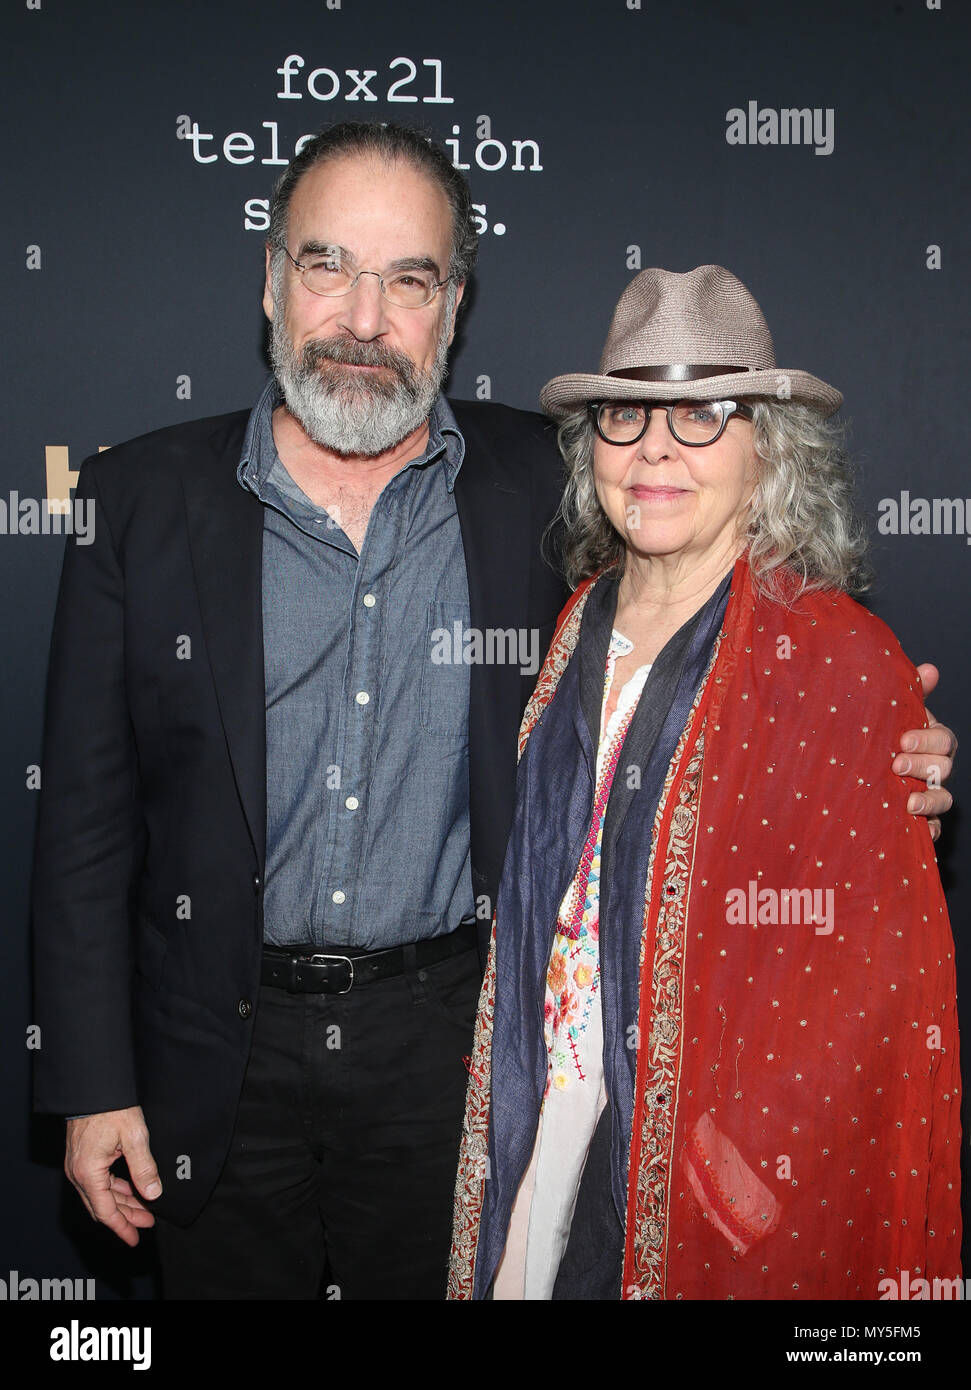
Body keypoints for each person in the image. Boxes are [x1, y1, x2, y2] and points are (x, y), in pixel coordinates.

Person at [30, 122, 951, 1301]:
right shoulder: (136, 500)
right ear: (270, 282)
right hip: (216, 1047)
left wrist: (875, 763)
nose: (364, 318)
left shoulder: (544, 489)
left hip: (461, 1052)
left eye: (407, 280)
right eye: (328, 267)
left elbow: (720, 655)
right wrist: (92, 1084)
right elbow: (84, 830)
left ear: (452, 307)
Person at [448, 265, 961, 1301]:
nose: (654, 451)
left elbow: (874, 989)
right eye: (626, 416)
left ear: (766, 445)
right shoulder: (576, 622)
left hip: (708, 1151)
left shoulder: (836, 653)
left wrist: (731, 1161)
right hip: (544, 1105)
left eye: (702, 415)